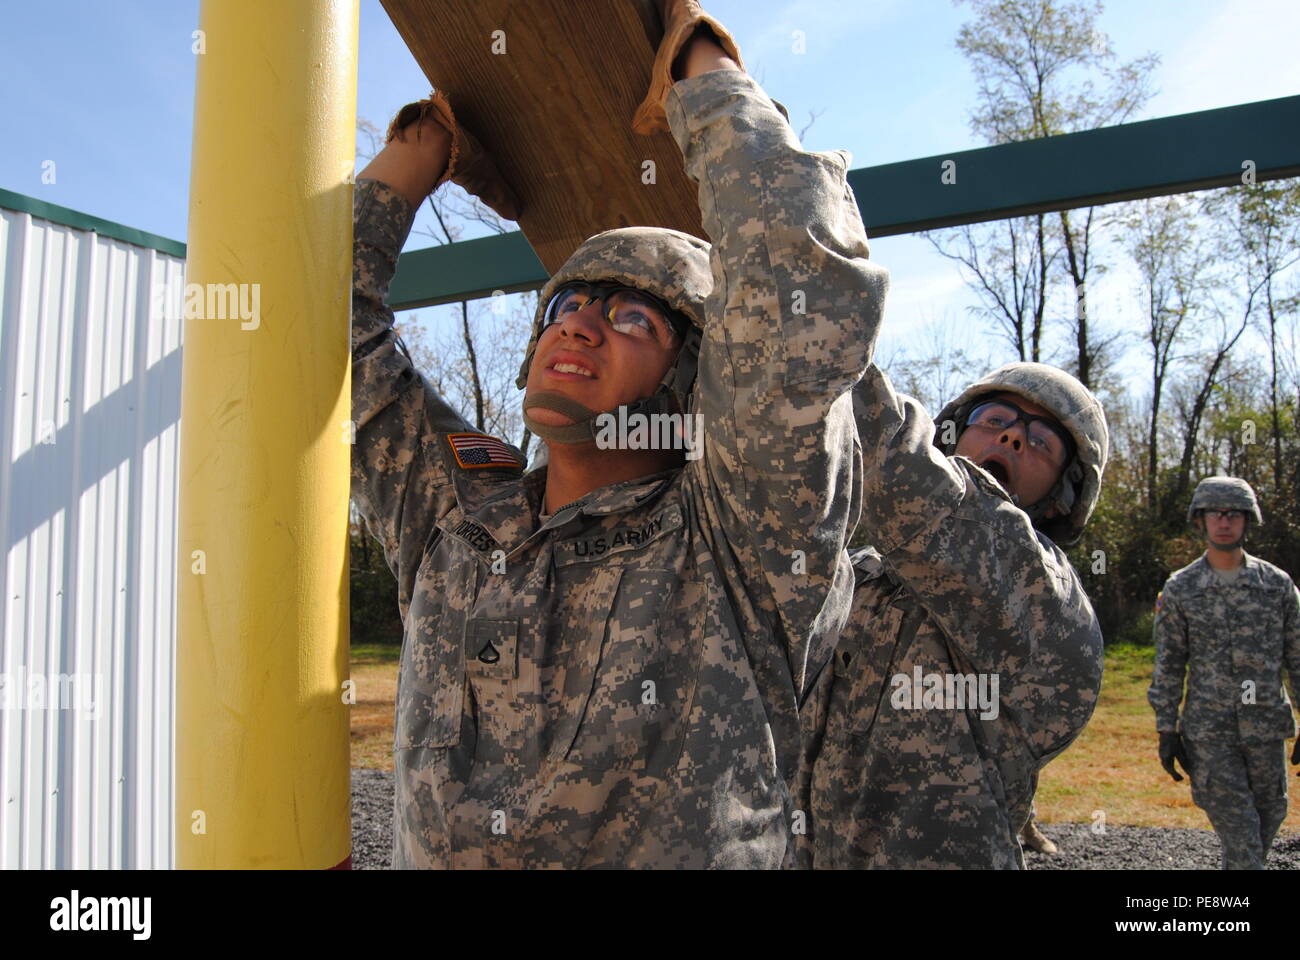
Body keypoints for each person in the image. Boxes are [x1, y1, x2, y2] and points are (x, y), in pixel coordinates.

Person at [349, 3, 886, 867]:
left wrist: (699, 68)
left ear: (692, 382)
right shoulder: (459, 517)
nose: (578, 327)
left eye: (632, 316)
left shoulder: (740, 534)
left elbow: (804, 282)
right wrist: (428, 148)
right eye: (564, 306)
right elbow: (321, 327)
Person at [796, 362, 1109, 868]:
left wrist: (822, 348)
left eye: (1042, 441)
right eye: (993, 418)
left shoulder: (1045, 598)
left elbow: (910, 481)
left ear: (1062, 496)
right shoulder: (858, 575)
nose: (1010, 437)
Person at [1148, 476, 1300, 870]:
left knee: (1270, 817)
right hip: (1209, 734)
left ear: (1248, 520)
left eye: (1234, 513)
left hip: (1266, 727)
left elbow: (1297, 657)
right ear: (1200, 520)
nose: (1224, 521)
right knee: (1243, 834)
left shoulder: (1277, 586)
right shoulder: (1181, 589)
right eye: (1215, 513)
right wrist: (1167, 729)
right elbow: (1168, 662)